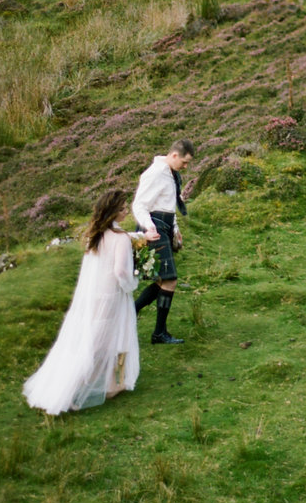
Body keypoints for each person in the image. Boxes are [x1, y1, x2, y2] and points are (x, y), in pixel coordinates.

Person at [23, 189, 153, 415]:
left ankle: (117, 383)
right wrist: (134, 282)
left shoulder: (97, 234)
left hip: (96, 294)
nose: (125, 212)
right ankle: (83, 386)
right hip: (113, 295)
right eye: (122, 209)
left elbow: (118, 244)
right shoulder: (120, 239)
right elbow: (121, 272)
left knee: (101, 338)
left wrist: (141, 237)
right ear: (112, 212)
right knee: (112, 338)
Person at [132, 138, 194, 344]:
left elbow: (168, 204)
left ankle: (131, 314)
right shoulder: (156, 173)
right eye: (184, 162)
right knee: (170, 279)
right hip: (154, 227)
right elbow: (139, 205)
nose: (185, 167)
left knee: (163, 280)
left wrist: (175, 230)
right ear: (174, 155)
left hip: (165, 226)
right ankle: (158, 332)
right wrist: (149, 228)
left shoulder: (171, 174)